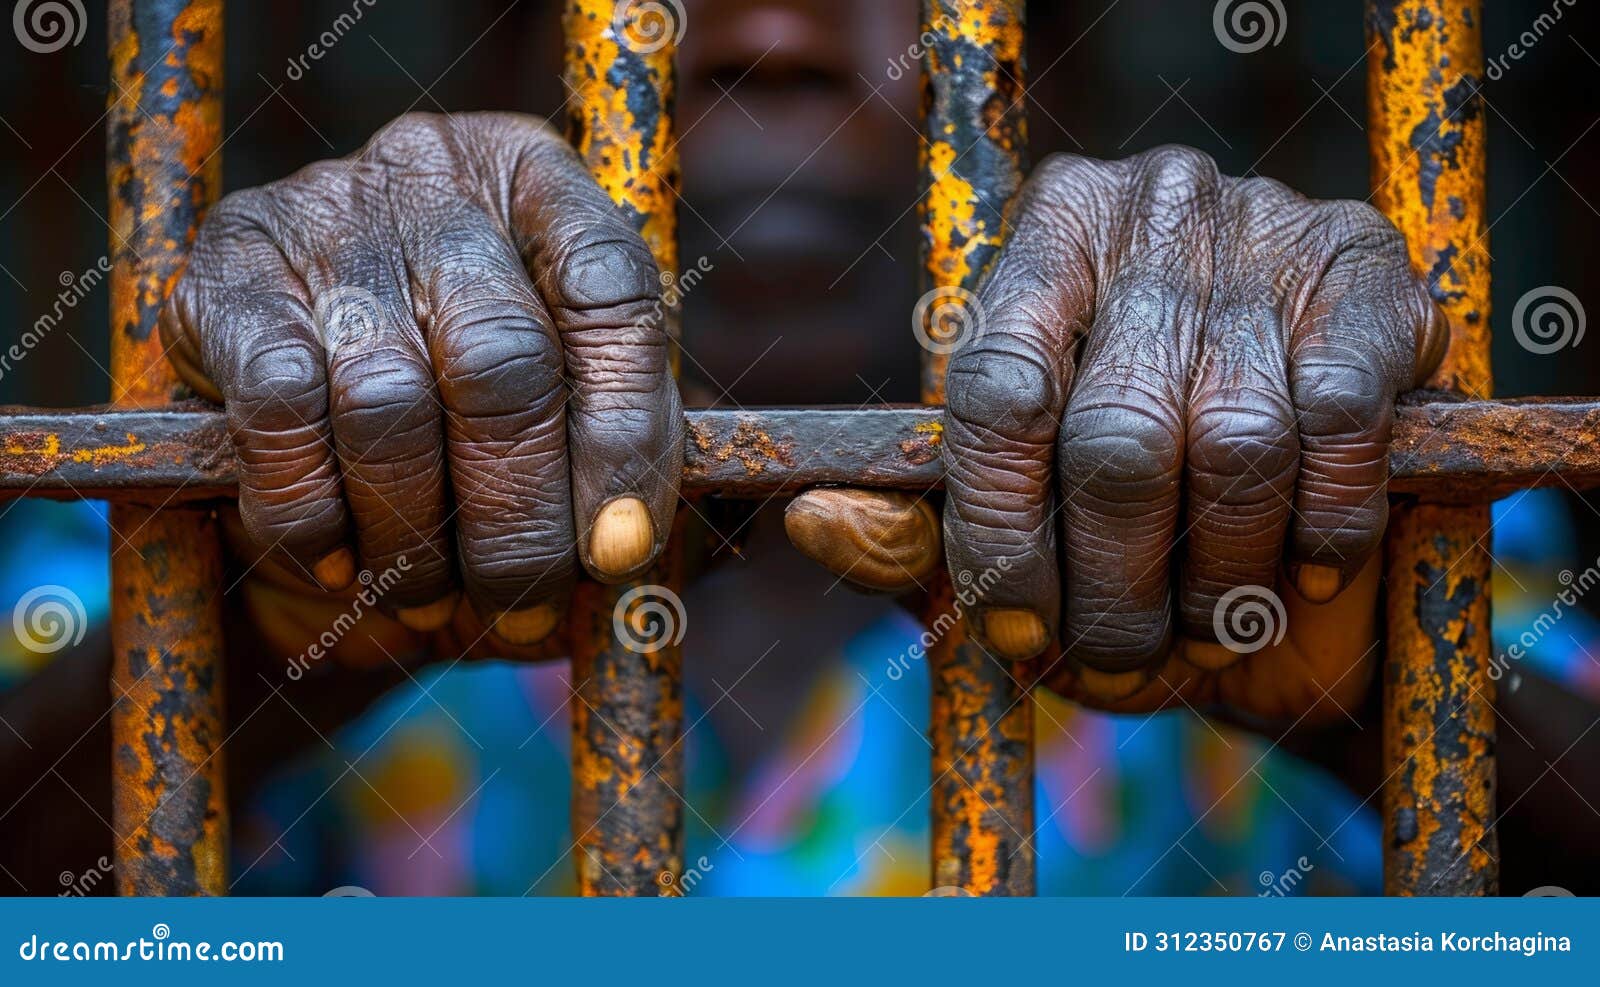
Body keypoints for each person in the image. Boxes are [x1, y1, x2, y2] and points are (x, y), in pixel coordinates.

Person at [1, 0, 1593, 896]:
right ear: (500, 75)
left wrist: (1387, 688)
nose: (767, 32)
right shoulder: (182, 484)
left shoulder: (1389, 491)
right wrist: (249, 640)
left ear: (1049, 86)